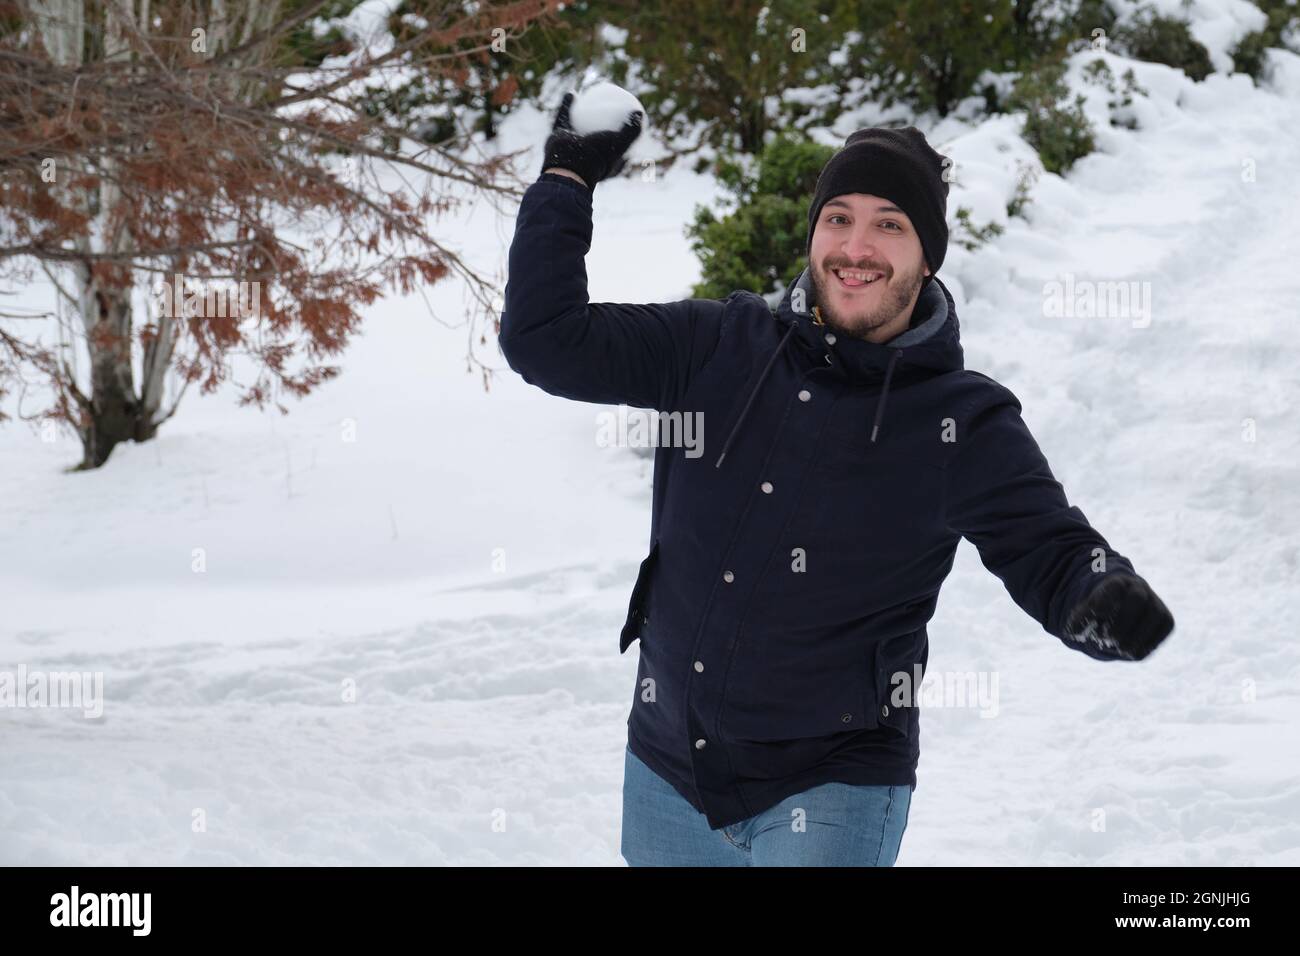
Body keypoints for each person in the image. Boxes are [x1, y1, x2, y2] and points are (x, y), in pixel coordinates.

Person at [499, 92, 1175, 866]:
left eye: (890, 224)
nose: (857, 246)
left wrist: (1100, 592)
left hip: (832, 787)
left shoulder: (961, 419)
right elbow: (545, 341)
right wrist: (566, 178)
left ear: (928, 258)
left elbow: (1049, 548)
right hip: (666, 767)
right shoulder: (717, 343)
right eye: (838, 218)